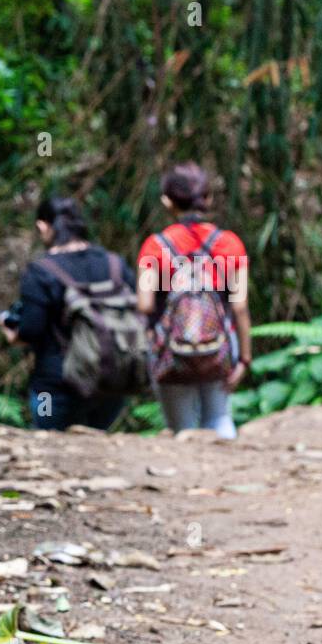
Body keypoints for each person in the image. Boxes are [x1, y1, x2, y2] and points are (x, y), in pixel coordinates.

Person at [0, 196, 136, 430]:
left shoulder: (41, 271)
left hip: (53, 387)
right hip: (111, 382)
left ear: (43, 226)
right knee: (96, 444)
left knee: (45, 437)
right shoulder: (115, 264)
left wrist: (10, 332)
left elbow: (32, 330)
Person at [136, 163, 251, 440]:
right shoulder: (229, 243)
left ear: (167, 201)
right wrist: (245, 359)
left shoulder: (156, 245)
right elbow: (240, 307)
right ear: (208, 198)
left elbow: (145, 305)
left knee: (181, 428)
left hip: (170, 348)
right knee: (219, 416)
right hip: (219, 346)